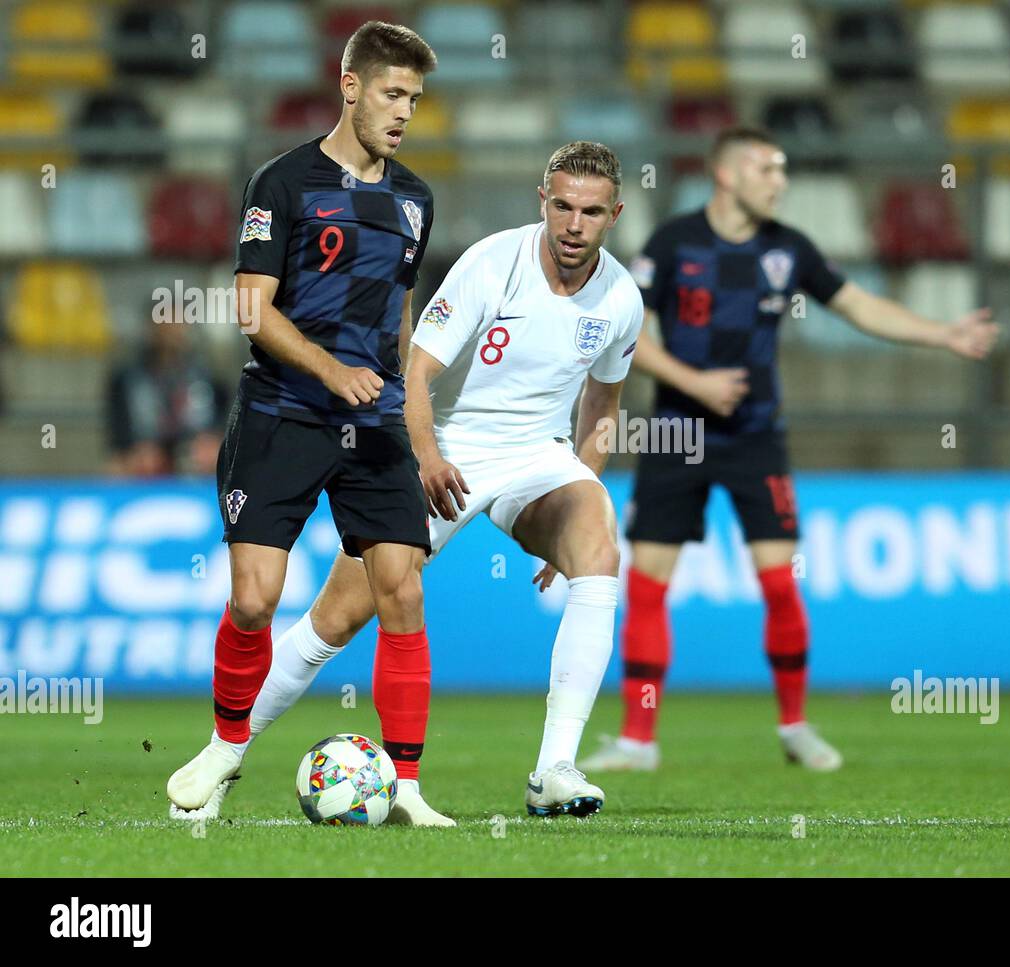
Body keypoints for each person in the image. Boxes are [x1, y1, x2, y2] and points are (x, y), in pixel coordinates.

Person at [228, 141, 643, 819]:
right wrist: (422, 456)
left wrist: (582, 486)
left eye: (591, 212)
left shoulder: (621, 298)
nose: (574, 224)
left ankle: (555, 769)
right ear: (544, 200)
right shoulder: (491, 265)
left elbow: (603, 406)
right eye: (562, 206)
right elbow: (414, 372)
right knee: (334, 621)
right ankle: (228, 751)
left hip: (538, 455)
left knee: (599, 546)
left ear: (614, 214)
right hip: (444, 442)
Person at [579, 126, 1000, 773]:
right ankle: (638, 738)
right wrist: (694, 382)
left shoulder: (789, 248)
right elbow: (627, 331)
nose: (779, 180)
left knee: (780, 583)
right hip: (676, 434)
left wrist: (942, 334)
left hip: (756, 438)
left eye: (782, 169)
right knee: (647, 586)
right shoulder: (674, 242)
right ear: (726, 174)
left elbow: (858, 305)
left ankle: (796, 724)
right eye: (766, 168)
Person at [166, 21, 448, 825]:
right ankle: (226, 749)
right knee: (255, 600)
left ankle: (407, 789)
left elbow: (398, 308)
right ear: (350, 86)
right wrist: (332, 370)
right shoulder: (282, 183)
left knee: (401, 588)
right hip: (284, 411)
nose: (403, 112)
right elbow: (252, 308)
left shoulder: (414, 200)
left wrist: (405, 403)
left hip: (375, 423)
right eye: (392, 93)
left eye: (415, 99)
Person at [105, 310, 226, 477]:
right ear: (151, 328)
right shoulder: (127, 378)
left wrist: (211, 440)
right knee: (118, 468)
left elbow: (219, 419)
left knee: (214, 455)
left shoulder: (205, 374)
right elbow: (119, 432)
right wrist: (136, 449)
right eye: (166, 322)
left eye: (177, 323)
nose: (172, 329)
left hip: (193, 450)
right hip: (146, 452)